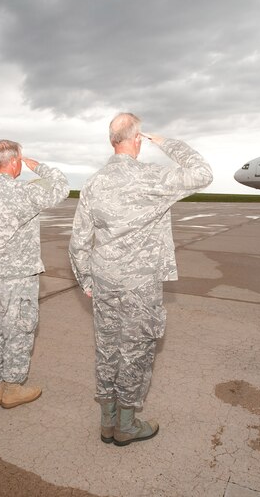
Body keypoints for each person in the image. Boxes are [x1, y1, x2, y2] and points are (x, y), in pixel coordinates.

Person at [69, 113, 213, 446]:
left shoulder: (93, 182)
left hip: (104, 279)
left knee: (107, 349)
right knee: (134, 351)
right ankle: (126, 425)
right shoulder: (151, 177)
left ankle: (106, 422)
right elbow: (202, 173)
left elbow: (78, 241)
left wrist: (87, 281)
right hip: (139, 284)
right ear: (136, 140)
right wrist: (166, 143)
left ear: (111, 141)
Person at [0, 140, 69, 408]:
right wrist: (41, 168)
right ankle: (13, 387)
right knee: (19, 328)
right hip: (19, 276)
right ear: (14, 162)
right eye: (20, 160)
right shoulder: (21, 193)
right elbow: (61, 187)